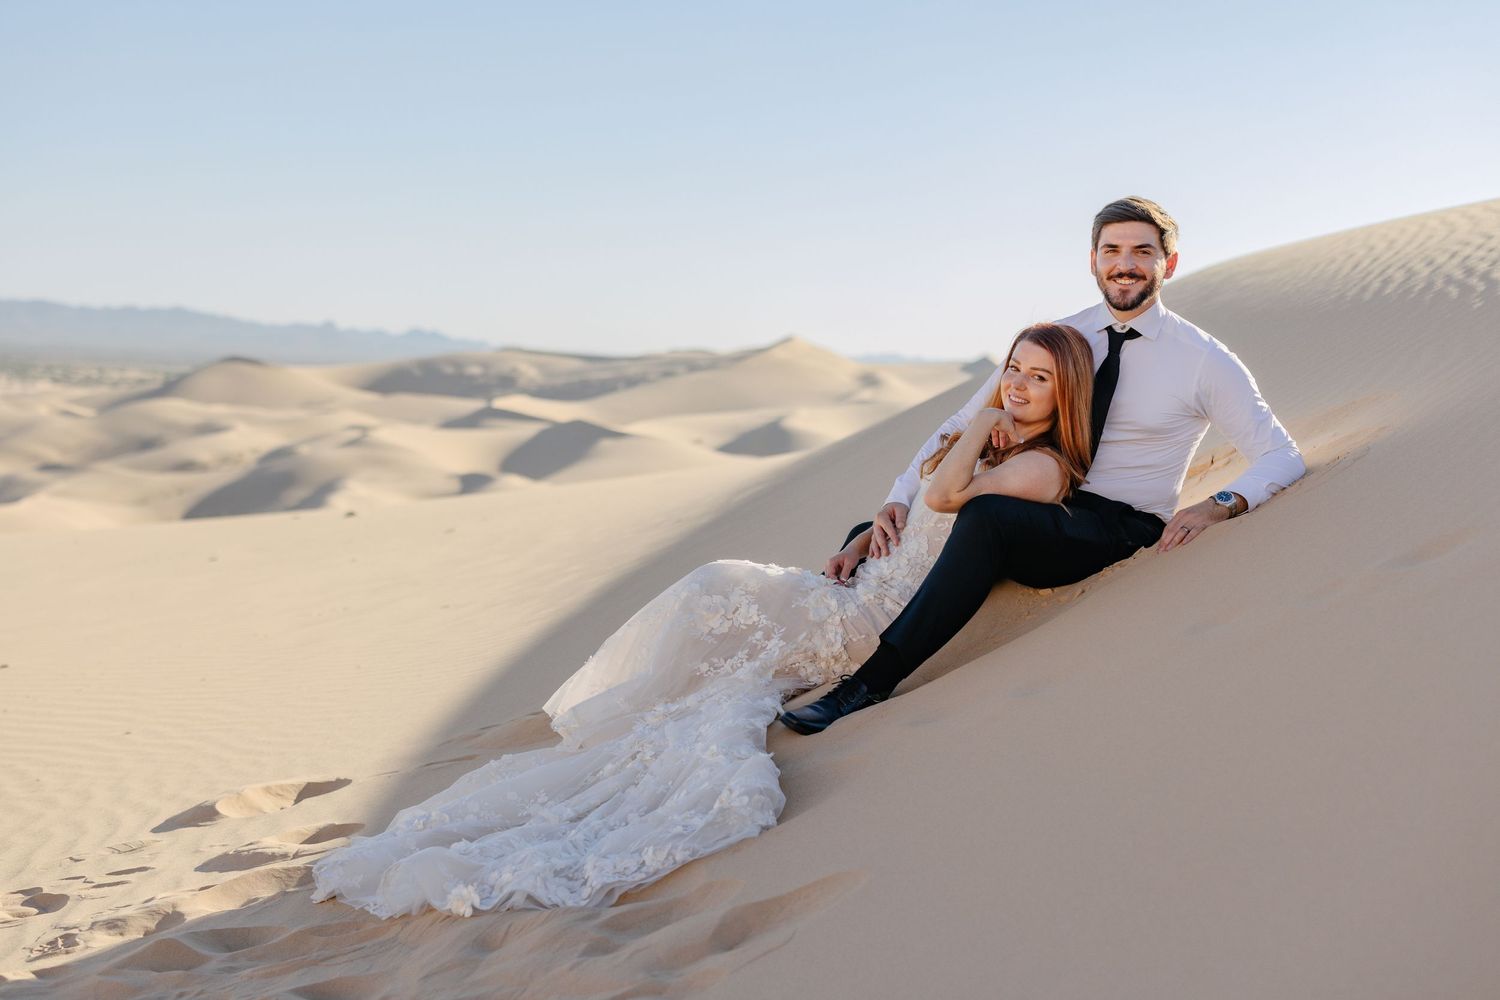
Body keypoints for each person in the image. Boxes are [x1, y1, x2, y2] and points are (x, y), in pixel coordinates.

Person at [309, 323, 1096, 917]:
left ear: (1066, 395)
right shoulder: (984, 439)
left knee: (719, 591)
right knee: (714, 588)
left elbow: (944, 499)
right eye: (1011, 371)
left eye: (1037, 379)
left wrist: (981, 418)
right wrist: (866, 530)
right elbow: (916, 506)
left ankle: (646, 728)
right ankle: (640, 718)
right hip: (855, 589)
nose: (1020, 386)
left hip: (869, 624)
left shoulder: (1039, 464)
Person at [779, 195, 1306, 735]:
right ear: (1093, 260)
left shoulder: (1204, 360)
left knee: (986, 516)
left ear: (1167, 264)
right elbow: (966, 419)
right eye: (1112, 250)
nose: (1125, 264)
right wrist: (897, 495)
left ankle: (866, 686)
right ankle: (805, 654)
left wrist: (1220, 504)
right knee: (883, 532)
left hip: (1113, 523)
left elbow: (1281, 454)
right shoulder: (1061, 338)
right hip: (1034, 491)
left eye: (1142, 252)